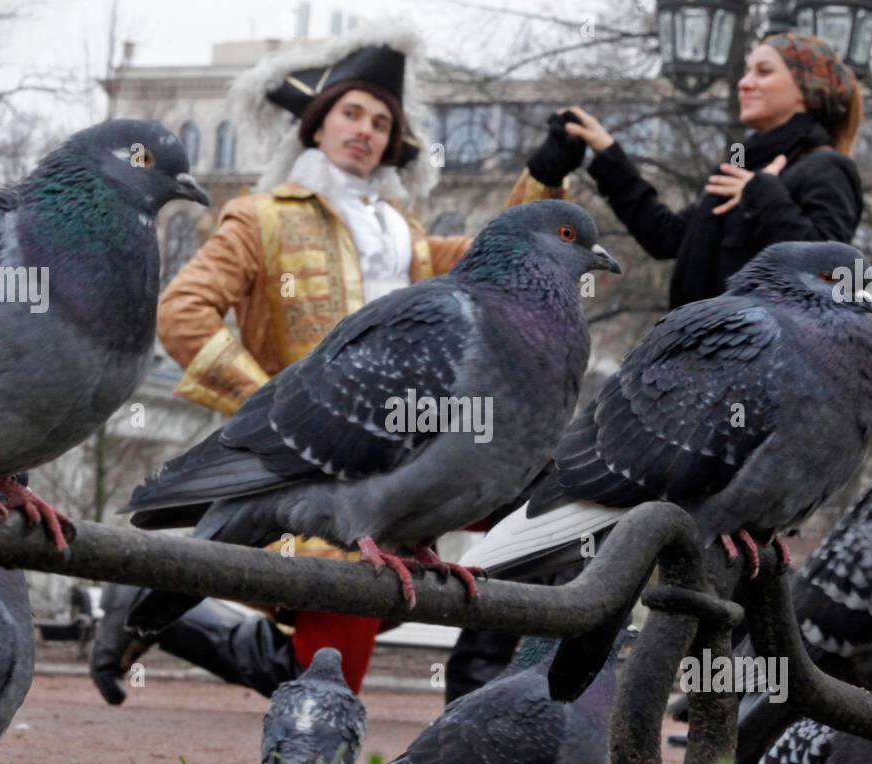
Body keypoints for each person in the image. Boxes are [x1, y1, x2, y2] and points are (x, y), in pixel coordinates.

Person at [91, 26, 566, 703]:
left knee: (535, 524)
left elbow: (505, 262)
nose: (366, 131)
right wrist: (275, 407)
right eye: (351, 112)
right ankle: (169, 609)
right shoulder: (261, 217)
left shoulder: (407, 234)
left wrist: (546, 171)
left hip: (412, 453)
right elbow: (183, 311)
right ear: (316, 123)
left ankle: (483, 698)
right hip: (316, 456)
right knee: (327, 670)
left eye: (381, 121)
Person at [445, 32, 866, 702]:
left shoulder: (821, 169)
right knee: (592, 556)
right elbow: (670, 239)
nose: (744, 81)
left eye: (764, 71)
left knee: (643, 573)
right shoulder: (747, 164)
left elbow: (833, 274)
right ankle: (500, 700)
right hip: (685, 396)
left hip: (740, 396)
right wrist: (609, 160)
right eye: (747, 68)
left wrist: (764, 196)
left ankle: (580, 710)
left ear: (807, 89)